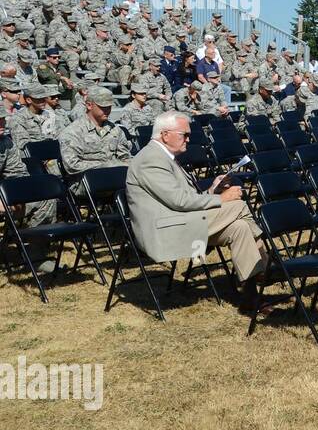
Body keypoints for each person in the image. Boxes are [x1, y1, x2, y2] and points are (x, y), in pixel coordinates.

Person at [125, 112, 270, 312]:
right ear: (165, 135)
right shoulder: (151, 159)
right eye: (184, 134)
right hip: (166, 230)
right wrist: (221, 198)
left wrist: (213, 190)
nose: (188, 139)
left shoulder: (166, 157)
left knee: (240, 227)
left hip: (183, 219)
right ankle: (266, 265)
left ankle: (250, 296)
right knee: (238, 206)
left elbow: (185, 198)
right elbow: (179, 201)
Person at [57, 87, 133, 174]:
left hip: (115, 176)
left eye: (109, 107)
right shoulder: (72, 132)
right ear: (89, 105)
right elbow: (72, 166)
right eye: (103, 107)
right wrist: (107, 165)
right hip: (86, 180)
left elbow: (125, 157)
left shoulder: (115, 130)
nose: (107, 111)